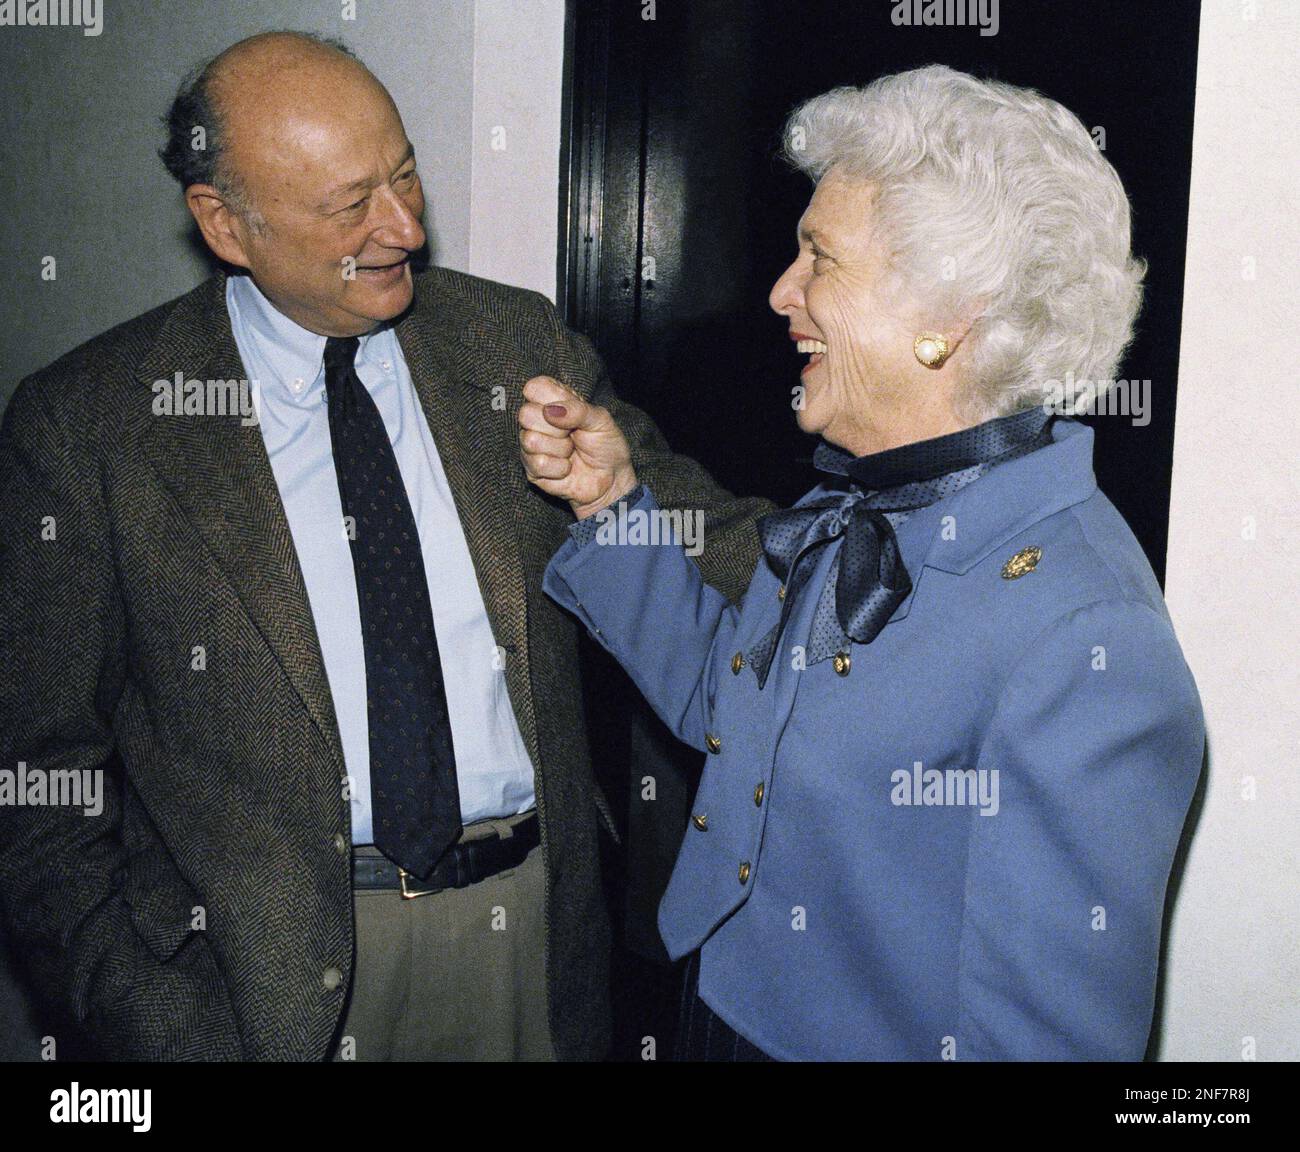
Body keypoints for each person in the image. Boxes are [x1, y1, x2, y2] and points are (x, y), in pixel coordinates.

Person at [0, 30, 769, 1061]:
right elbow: (38, 773)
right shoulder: (92, 425)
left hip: (531, 946)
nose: (405, 226)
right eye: (349, 204)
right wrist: (153, 1019)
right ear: (227, 225)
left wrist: (900, 558)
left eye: (404, 173)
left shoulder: (513, 344)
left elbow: (694, 527)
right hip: (258, 994)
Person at [520, 65, 1205, 1060]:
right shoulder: (862, 502)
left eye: (819, 259)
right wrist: (610, 506)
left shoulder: (1088, 643)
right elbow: (736, 708)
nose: (779, 293)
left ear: (947, 317)